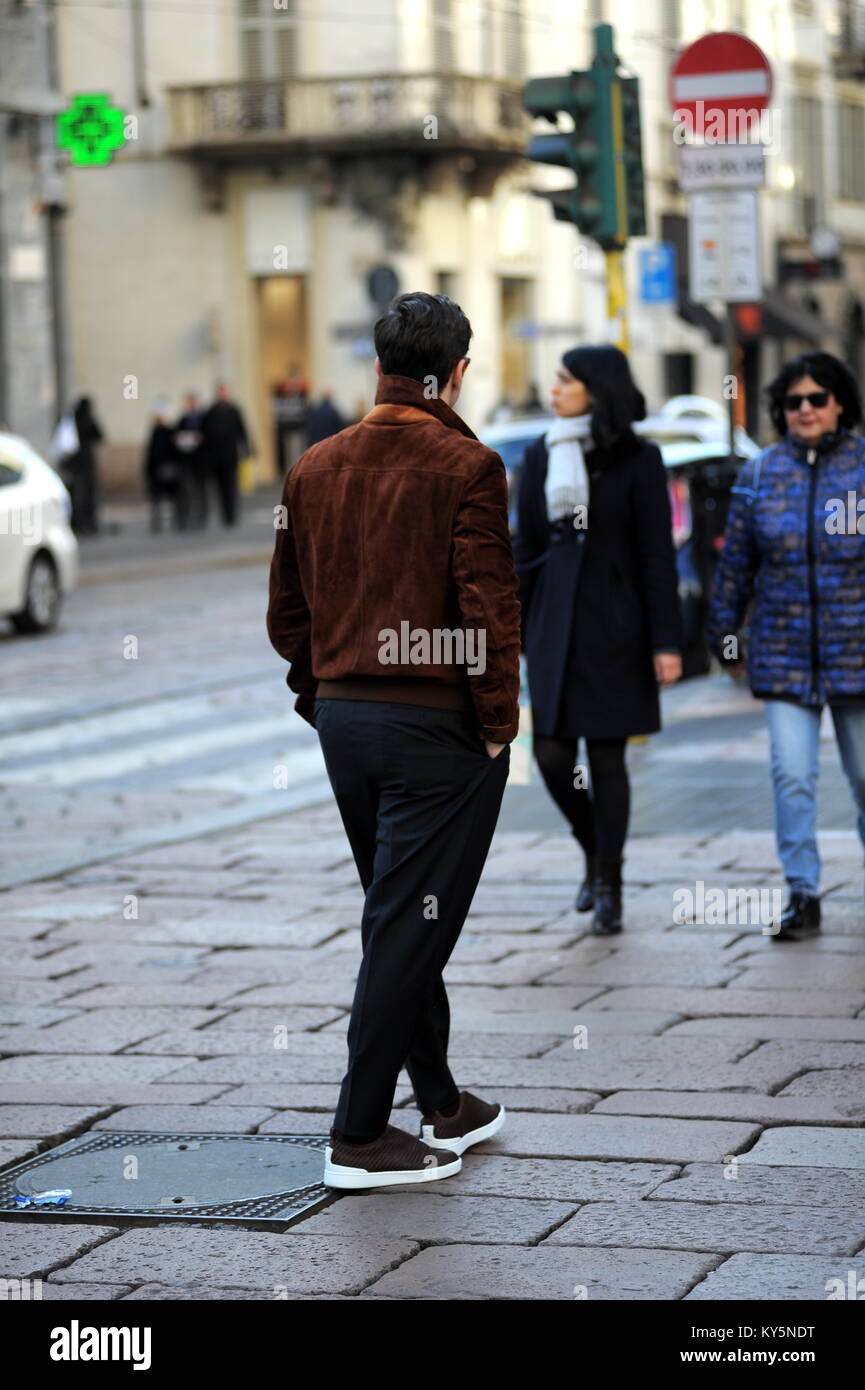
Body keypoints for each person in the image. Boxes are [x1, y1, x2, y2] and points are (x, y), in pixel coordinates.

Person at [267, 292, 521, 1189]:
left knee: (400, 912)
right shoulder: (467, 464)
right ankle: (359, 1134)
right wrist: (497, 727)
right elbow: (486, 605)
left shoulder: (312, 467)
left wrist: (326, 692)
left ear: (376, 369)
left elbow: (286, 616)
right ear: (453, 372)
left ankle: (443, 1101)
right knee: (408, 924)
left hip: (346, 720)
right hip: (436, 727)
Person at [514, 345, 683, 934]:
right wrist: (515, 625)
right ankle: (592, 847)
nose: (554, 388)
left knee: (607, 758)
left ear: (597, 388)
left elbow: (657, 555)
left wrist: (667, 641)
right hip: (553, 619)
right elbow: (526, 545)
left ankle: (609, 880)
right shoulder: (541, 454)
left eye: (567, 380)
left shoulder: (638, 458)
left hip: (617, 621)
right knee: (551, 754)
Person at [709, 351, 865, 940]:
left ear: (840, 404)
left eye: (816, 399)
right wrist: (724, 637)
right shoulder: (761, 474)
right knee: (792, 775)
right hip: (783, 650)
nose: (804, 409)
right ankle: (802, 892)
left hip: (858, 654)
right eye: (794, 401)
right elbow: (735, 567)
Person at [201, 383, 251, 526]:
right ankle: (224, 515)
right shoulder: (211, 412)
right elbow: (205, 435)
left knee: (231, 486)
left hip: (230, 456)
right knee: (219, 488)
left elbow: (242, 431)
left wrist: (246, 450)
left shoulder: (234, 410)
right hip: (215, 458)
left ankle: (232, 515)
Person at [144, 398, 189, 532]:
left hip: (170, 469)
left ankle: (180, 522)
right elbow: (151, 454)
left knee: (176, 498)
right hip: (158, 470)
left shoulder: (171, 432)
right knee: (158, 500)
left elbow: (176, 451)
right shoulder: (156, 432)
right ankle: (158, 524)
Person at [64, 395, 104, 536]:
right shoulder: (87, 420)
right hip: (86, 465)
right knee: (86, 495)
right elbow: (100, 435)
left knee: (77, 495)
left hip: (75, 465)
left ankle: (79, 524)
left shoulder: (72, 420)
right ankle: (88, 524)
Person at [175, 392, 208, 529]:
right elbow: (177, 437)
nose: (190, 405)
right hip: (186, 461)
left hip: (200, 461)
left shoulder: (204, 419)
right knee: (187, 490)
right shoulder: (182, 420)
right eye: (188, 402)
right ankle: (187, 516)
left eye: (192, 402)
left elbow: (209, 437)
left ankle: (202, 515)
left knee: (201, 490)